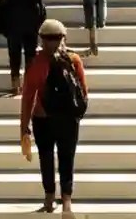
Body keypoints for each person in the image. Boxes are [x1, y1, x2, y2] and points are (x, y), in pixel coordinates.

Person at [20, 18, 88, 216]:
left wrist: (24, 126)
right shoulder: (74, 60)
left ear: (41, 39)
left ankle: (49, 197)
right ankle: (66, 200)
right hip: (68, 119)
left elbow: (28, 97)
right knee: (67, 158)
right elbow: (83, 91)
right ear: (63, 37)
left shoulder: (35, 61)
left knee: (46, 157)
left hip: (43, 118)